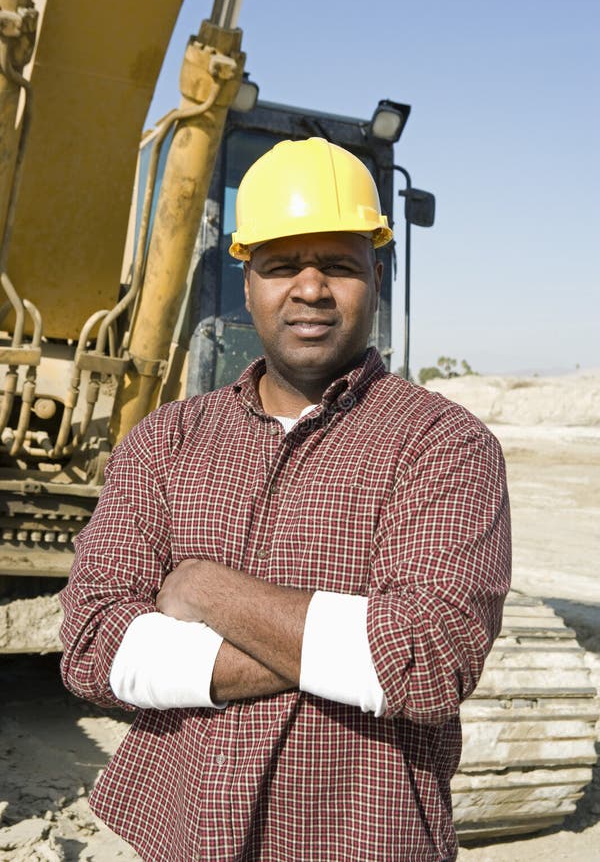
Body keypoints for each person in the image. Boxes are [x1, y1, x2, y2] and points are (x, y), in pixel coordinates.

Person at [60, 137, 511, 862]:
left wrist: (203, 589)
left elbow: (427, 659)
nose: (309, 288)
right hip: (177, 835)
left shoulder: (443, 445)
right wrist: (338, 642)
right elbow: (90, 646)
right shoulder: (166, 440)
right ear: (247, 283)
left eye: (337, 265)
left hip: (356, 838)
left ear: (377, 274)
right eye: (280, 267)